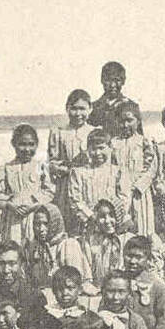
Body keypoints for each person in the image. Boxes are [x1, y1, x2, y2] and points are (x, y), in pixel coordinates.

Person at [0, 125, 54, 244]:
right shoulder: (5, 169)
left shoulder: (40, 167)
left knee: (33, 247)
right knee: (13, 247)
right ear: (13, 144)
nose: (27, 149)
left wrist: (34, 205)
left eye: (31, 144)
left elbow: (49, 192)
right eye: (22, 144)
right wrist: (9, 205)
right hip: (12, 218)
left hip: (35, 216)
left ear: (37, 144)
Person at [48, 89, 95, 235]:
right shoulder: (59, 132)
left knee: (88, 222)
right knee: (67, 225)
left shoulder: (94, 131)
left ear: (90, 109)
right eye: (74, 108)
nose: (78, 113)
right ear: (67, 109)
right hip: (65, 186)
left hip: (89, 184)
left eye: (82, 108)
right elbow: (52, 162)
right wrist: (65, 169)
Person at [112, 100, 158, 237]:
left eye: (129, 120)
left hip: (140, 194)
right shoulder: (114, 144)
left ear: (137, 121)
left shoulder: (144, 142)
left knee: (142, 228)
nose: (125, 125)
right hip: (119, 194)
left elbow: (152, 168)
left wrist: (139, 186)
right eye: (121, 121)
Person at [69, 129, 122, 237]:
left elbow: (123, 199)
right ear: (87, 150)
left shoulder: (117, 172)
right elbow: (75, 200)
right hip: (88, 225)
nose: (97, 153)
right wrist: (92, 217)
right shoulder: (78, 172)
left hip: (111, 225)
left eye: (101, 148)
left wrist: (110, 218)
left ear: (110, 148)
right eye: (93, 149)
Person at [23, 202, 91, 287]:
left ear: (54, 222)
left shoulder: (69, 246)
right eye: (37, 224)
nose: (41, 229)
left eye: (46, 224)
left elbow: (73, 283)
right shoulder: (34, 247)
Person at [78, 199, 128, 291]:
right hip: (98, 289)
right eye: (102, 217)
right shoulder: (91, 241)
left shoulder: (127, 240)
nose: (107, 221)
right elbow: (87, 268)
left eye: (112, 216)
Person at [89, 61, 139, 137]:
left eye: (117, 80)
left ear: (123, 81)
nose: (112, 85)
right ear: (102, 80)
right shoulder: (92, 108)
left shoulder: (132, 107)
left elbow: (138, 138)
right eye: (108, 80)